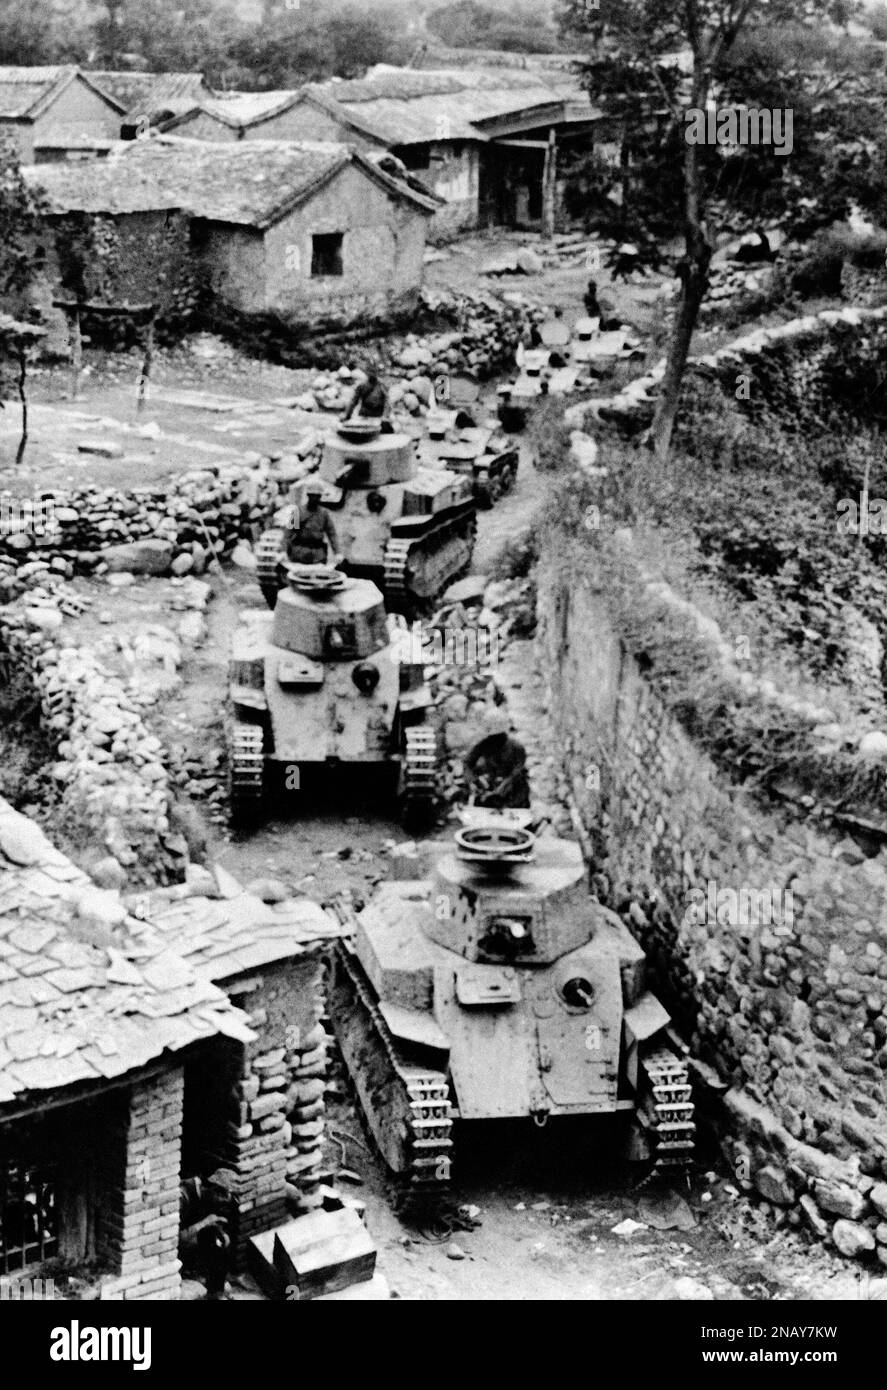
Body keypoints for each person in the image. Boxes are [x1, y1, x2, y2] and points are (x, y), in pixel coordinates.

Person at [179, 1170, 236, 1301]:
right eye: (223, 1193)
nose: (225, 1199)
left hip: (190, 1240)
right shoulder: (182, 1197)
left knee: (217, 1238)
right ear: (212, 1187)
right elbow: (172, 1240)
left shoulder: (207, 1196)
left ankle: (215, 1287)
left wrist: (218, 1229)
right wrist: (205, 1222)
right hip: (174, 1250)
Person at [465, 727, 530, 808]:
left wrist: (504, 785)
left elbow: (516, 773)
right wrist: (473, 781)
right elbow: (467, 762)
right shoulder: (483, 744)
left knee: (518, 790)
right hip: (490, 779)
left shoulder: (517, 748)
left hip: (512, 783)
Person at [282, 481, 339, 567]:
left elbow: (332, 534)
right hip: (300, 553)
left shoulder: (323, 514)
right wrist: (283, 551)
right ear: (308, 495)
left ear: (320, 497)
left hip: (318, 555)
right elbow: (288, 534)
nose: (315, 498)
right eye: (312, 495)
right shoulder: (299, 512)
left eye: (317, 496)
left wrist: (337, 553)